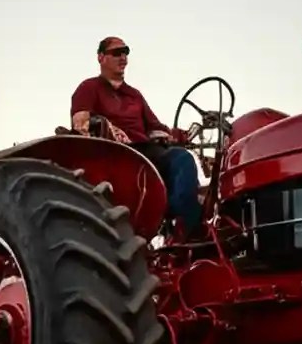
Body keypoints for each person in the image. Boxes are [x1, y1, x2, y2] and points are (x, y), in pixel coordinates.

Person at [70, 36, 204, 239]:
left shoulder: (135, 95)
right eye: (116, 52)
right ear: (101, 57)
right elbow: (81, 124)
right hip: (116, 153)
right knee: (179, 162)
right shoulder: (89, 88)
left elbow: (155, 128)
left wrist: (180, 134)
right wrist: (108, 131)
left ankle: (187, 229)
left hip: (146, 152)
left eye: (126, 52)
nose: (123, 57)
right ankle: (172, 213)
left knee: (182, 159)